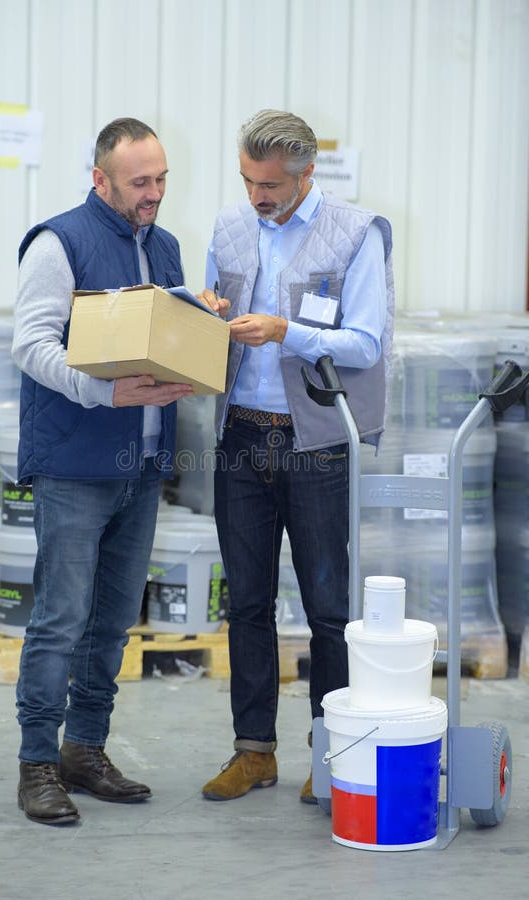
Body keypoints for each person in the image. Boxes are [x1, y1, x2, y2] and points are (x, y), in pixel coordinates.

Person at [199, 109, 394, 803]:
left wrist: (287, 332)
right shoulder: (227, 227)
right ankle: (253, 753)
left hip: (316, 445)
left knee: (328, 610)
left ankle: (333, 755)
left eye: (272, 185)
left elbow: (367, 342)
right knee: (247, 603)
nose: (258, 196)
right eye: (249, 180)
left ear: (308, 174)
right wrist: (203, 310)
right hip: (241, 441)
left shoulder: (356, 234)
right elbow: (208, 318)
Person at [12, 117, 194, 826]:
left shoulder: (166, 248)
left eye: (161, 179)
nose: (153, 194)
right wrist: (103, 390)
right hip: (74, 465)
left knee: (113, 623)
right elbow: (31, 345)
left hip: (141, 466)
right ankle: (36, 762)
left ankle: (83, 749)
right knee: (60, 620)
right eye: (139, 182)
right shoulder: (60, 242)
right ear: (101, 179)